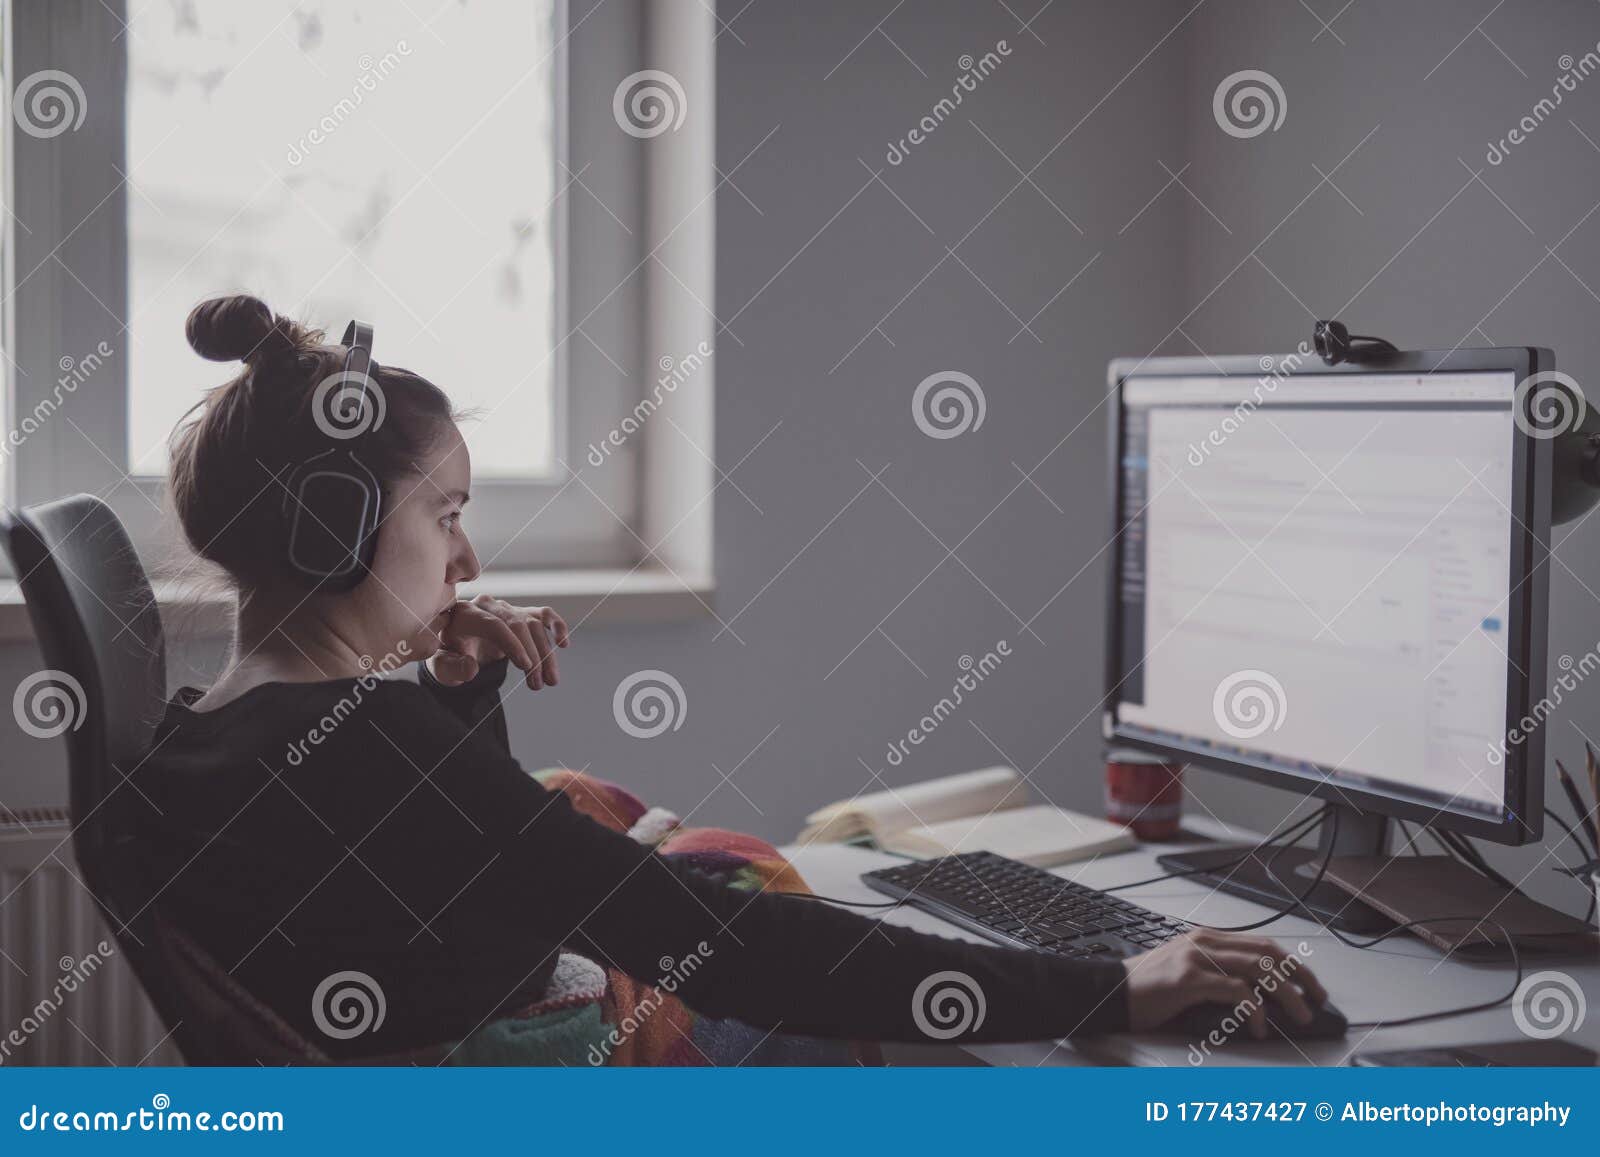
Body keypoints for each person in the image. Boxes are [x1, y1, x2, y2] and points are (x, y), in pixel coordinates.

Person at [127, 293, 1326, 1061]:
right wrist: (1118, 982)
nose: (468, 558)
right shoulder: (368, 751)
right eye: (444, 514)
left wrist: (451, 684)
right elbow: (714, 947)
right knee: (921, 1033)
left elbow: (439, 896)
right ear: (334, 525)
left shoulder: (205, 734)